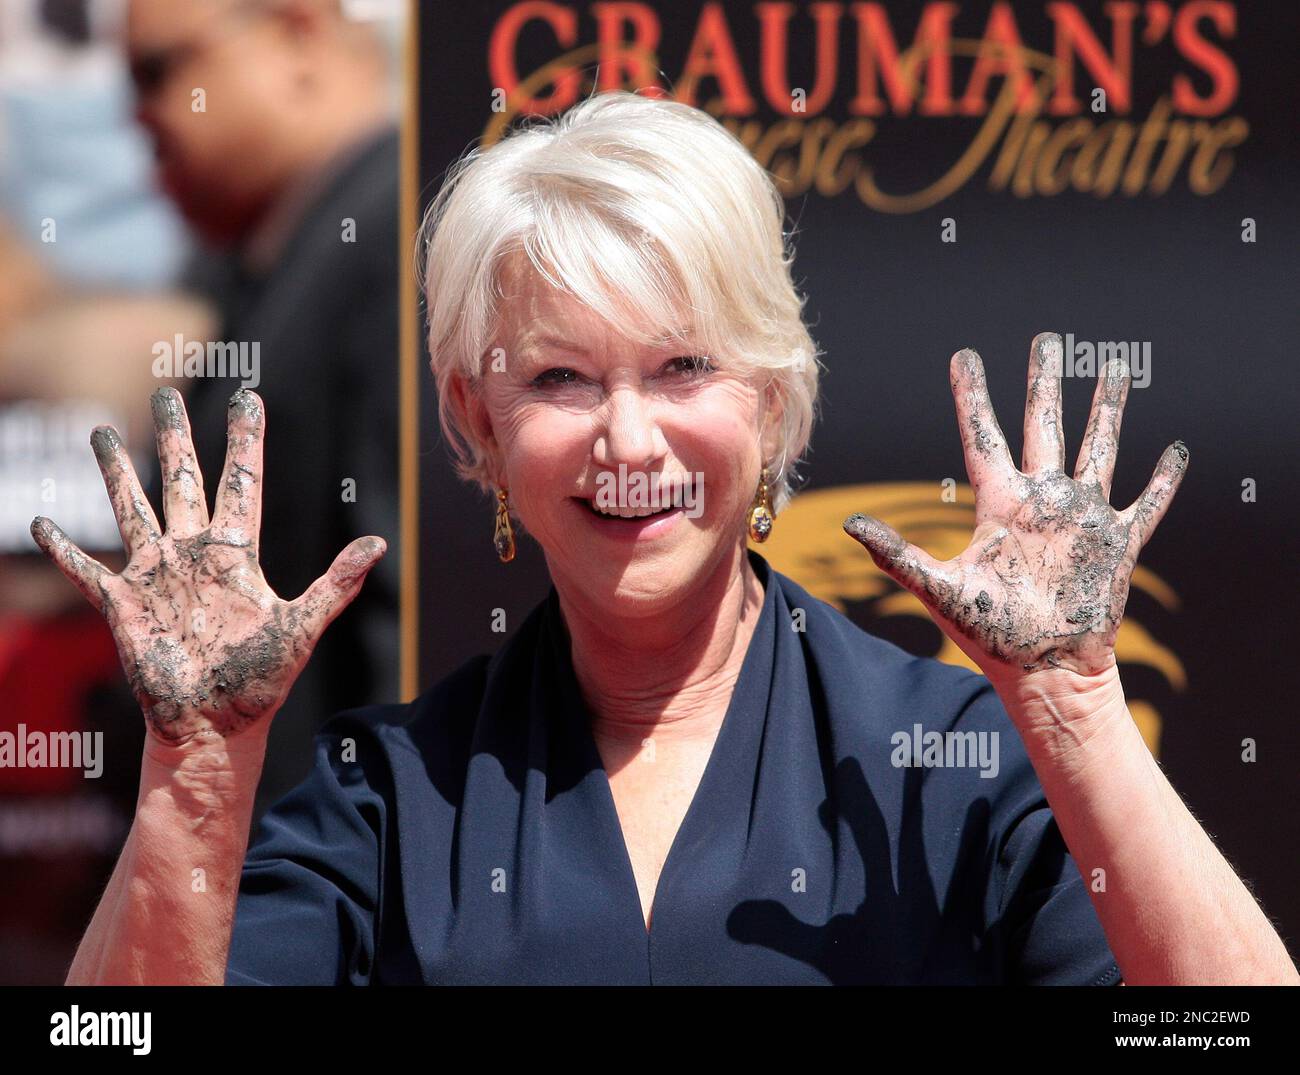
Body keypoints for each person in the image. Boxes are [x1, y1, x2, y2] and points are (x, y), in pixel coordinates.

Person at [34, 91, 1298, 985]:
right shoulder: (392, 798)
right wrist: (194, 778)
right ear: (475, 422)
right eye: (562, 380)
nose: (626, 440)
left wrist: (1075, 710)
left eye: (682, 365)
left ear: (774, 398)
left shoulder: (956, 764)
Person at [122, 0, 402, 818]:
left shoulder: (389, 242)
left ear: (298, 33)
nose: (135, 115)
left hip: (332, 886)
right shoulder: (277, 257)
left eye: (157, 71)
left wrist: (384, 892)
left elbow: (405, 603)